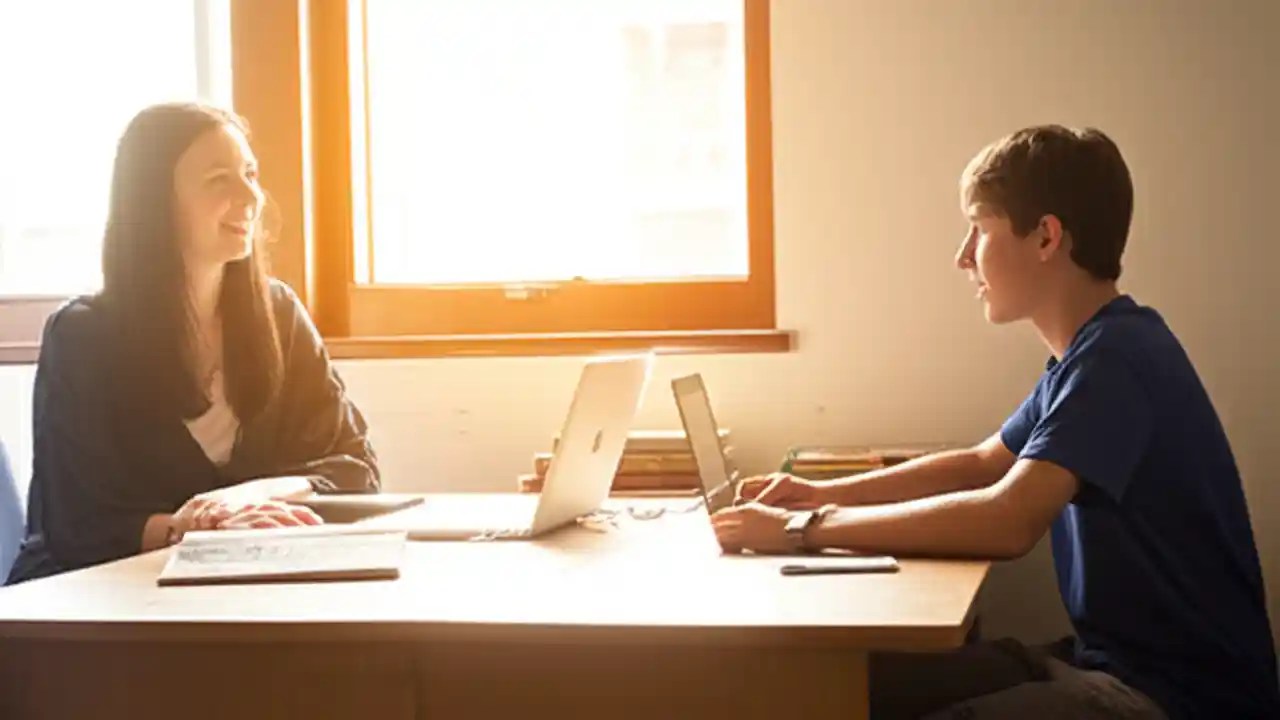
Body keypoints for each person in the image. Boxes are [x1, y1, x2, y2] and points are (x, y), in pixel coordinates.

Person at [711, 126, 1279, 719]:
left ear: (1045, 237)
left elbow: (1009, 520)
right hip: (1104, 662)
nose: (963, 256)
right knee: (852, 688)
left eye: (979, 229)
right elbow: (983, 464)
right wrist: (818, 492)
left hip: (1172, 698)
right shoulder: (1089, 354)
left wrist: (803, 527)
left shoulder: (1118, 360)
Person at [6, 103, 379, 585]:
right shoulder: (84, 337)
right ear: (155, 201)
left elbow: (355, 469)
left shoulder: (278, 314)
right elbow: (74, 525)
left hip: (238, 588)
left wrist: (246, 499)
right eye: (219, 179)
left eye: (250, 174)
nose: (251, 196)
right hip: (95, 598)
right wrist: (193, 529)